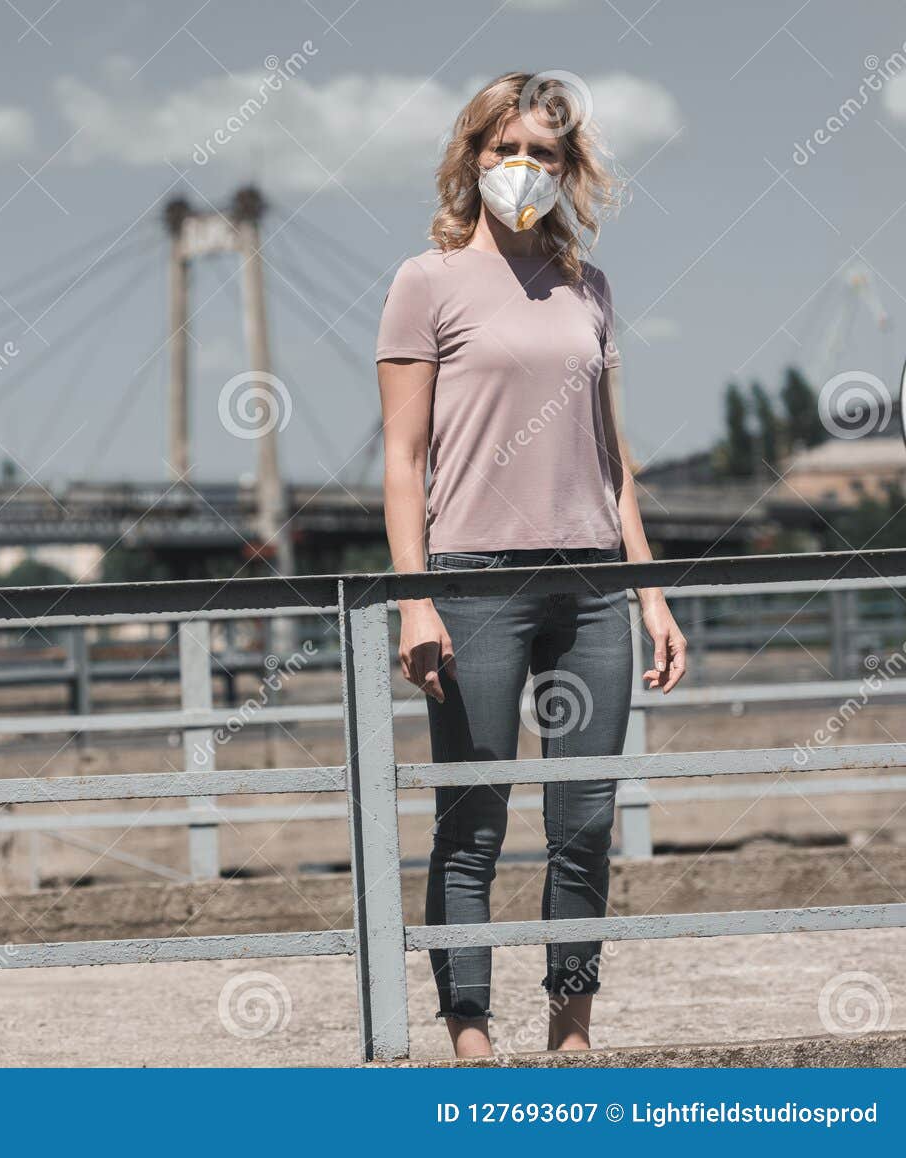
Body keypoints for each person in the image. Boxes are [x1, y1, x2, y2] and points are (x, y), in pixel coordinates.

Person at [375, 72, 688, 1059]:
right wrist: (414, 601)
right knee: (470, 823)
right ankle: (468, 1032)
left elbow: (611, 457)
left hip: (594, 586)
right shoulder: (422, 283)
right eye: (502, 150)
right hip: (471, 584)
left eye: (541, 154)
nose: (520, 169)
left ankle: (571, 1027)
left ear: (567, 169)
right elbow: (400, 458)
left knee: (584, 822)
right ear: (472, 159)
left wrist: (650, 594)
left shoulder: (588, 287)